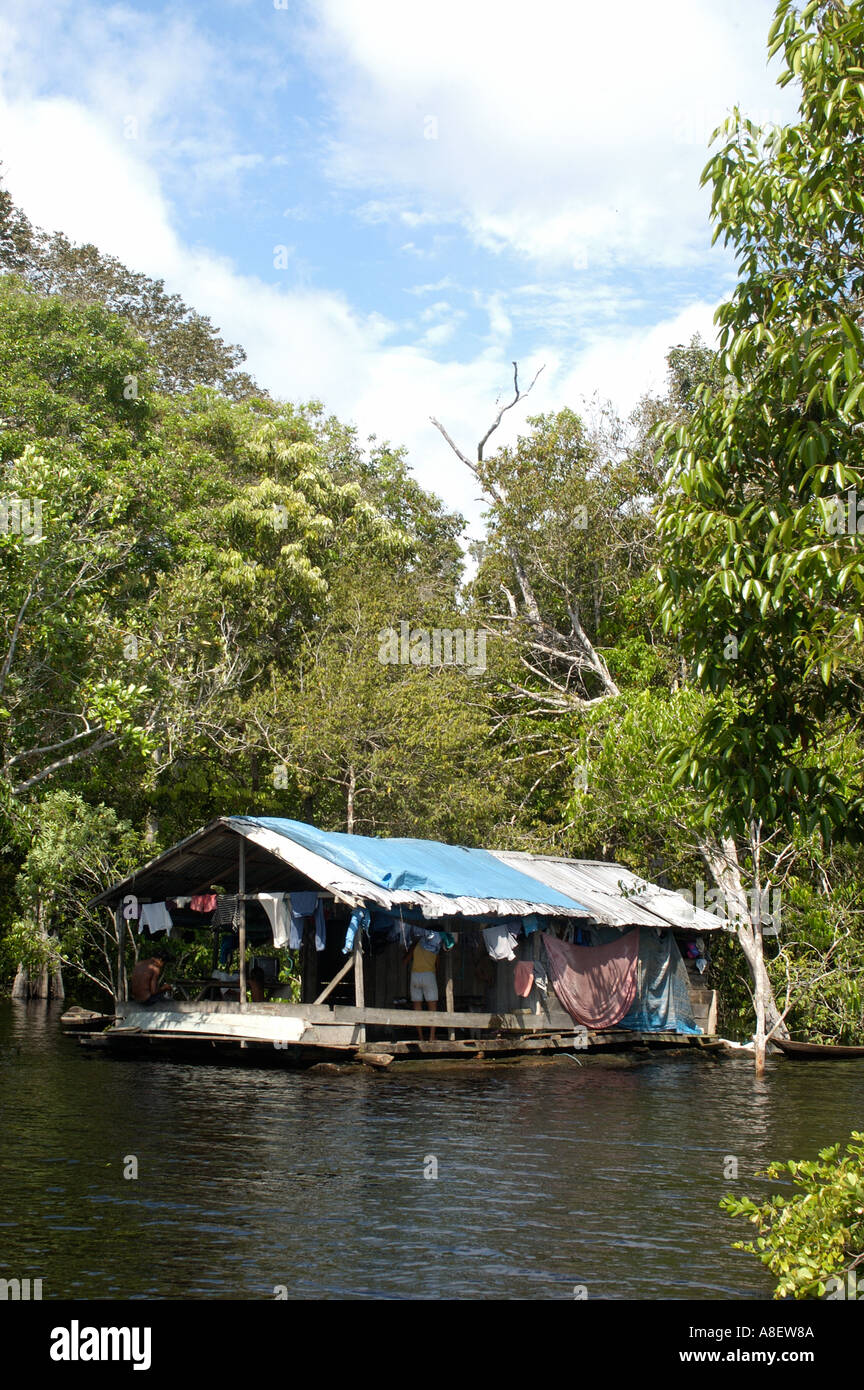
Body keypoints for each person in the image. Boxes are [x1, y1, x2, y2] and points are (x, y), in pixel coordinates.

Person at [403, 929, 441, 1040]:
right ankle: (432, 1037)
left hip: (415, 975)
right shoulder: (436, 944)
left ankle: (420, 1037)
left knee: (417, 1007)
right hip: (429, 975)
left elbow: (405, 961)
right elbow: (438, 964)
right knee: (432, 1008)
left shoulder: (416, 944)